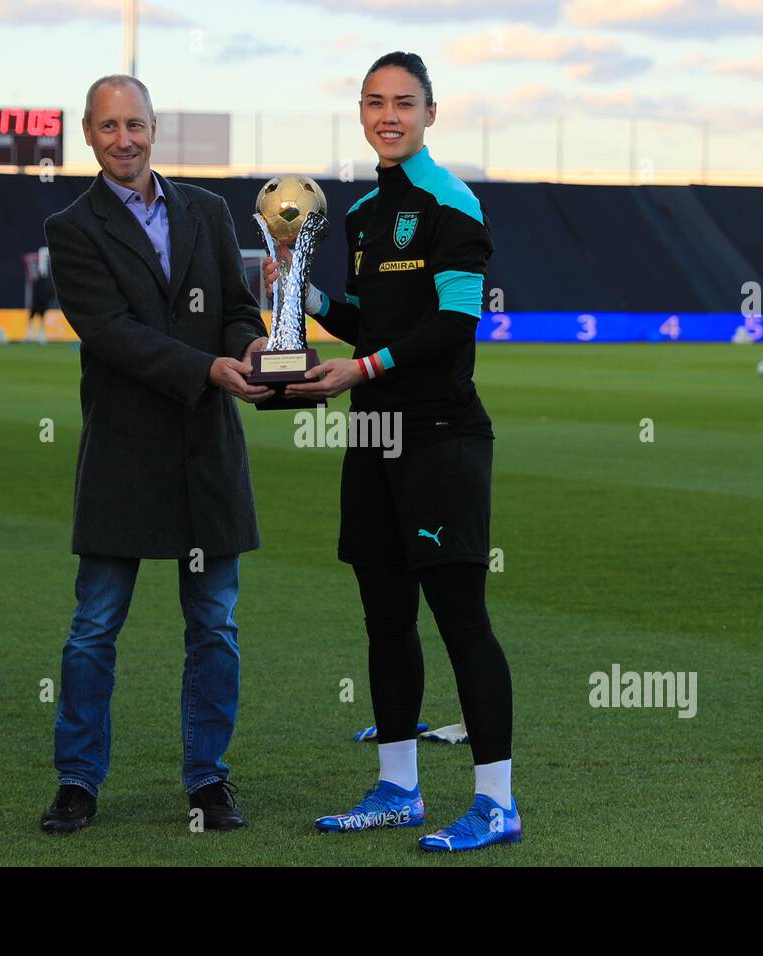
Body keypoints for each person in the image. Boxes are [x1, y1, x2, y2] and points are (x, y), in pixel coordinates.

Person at [273, 51, 520, 852]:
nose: (389, 115)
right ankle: (397, 788)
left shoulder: (453, 202)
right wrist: (299, 293)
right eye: (376, 102)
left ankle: (496, 803)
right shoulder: (366, 214)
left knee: (462, 622)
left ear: (430, 114)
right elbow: (371, 322)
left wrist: (366, 367)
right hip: (373, 437)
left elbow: (454, 322)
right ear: (362, 112)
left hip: (441, 437)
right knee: (385, 621)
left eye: (404, 103)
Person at [38, 74, 272, 835]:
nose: (124, 140)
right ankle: (78, 780)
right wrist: (209, 368)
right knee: (94, 628)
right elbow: (110, 333)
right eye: (108, 128)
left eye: (134, 124)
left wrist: (257, 346)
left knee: (215, 627)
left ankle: (208, 781)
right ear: (88, 134)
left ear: (153, 126)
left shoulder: (206, 210)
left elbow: (236, 313)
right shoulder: (72, 227)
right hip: (124, 457)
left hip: (207, 454)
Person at [25, 262, 54, 344]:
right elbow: (50, 294)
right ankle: (39, 338)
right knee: (40, 321)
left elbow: (35, 294)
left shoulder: (36, 282)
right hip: (41, 305)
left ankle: (30, 337)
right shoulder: (47, 282)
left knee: (32, 321)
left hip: (37, 304)